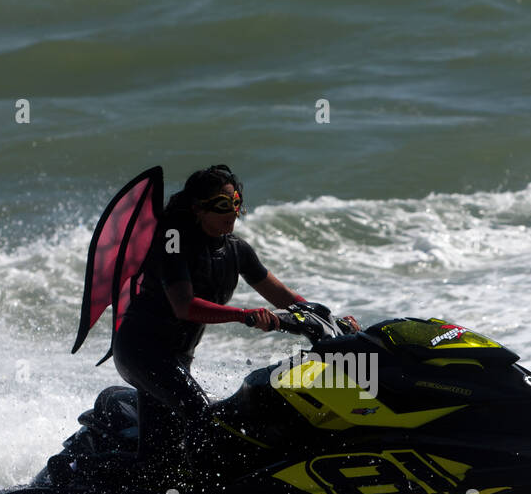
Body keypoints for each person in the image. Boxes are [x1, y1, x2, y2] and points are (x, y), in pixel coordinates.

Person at [111, 164, 353, 465]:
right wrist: (242, 315)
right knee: (202, 416)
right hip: (142, 351)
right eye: (223, 205)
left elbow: (284, 297)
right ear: (198, 208)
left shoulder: (237, 250)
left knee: (159, 454)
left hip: (177, 359)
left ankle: (123, 492)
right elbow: (183, 306)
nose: (233, 212)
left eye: (236, 202)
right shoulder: (172, 242)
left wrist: (330, 319)